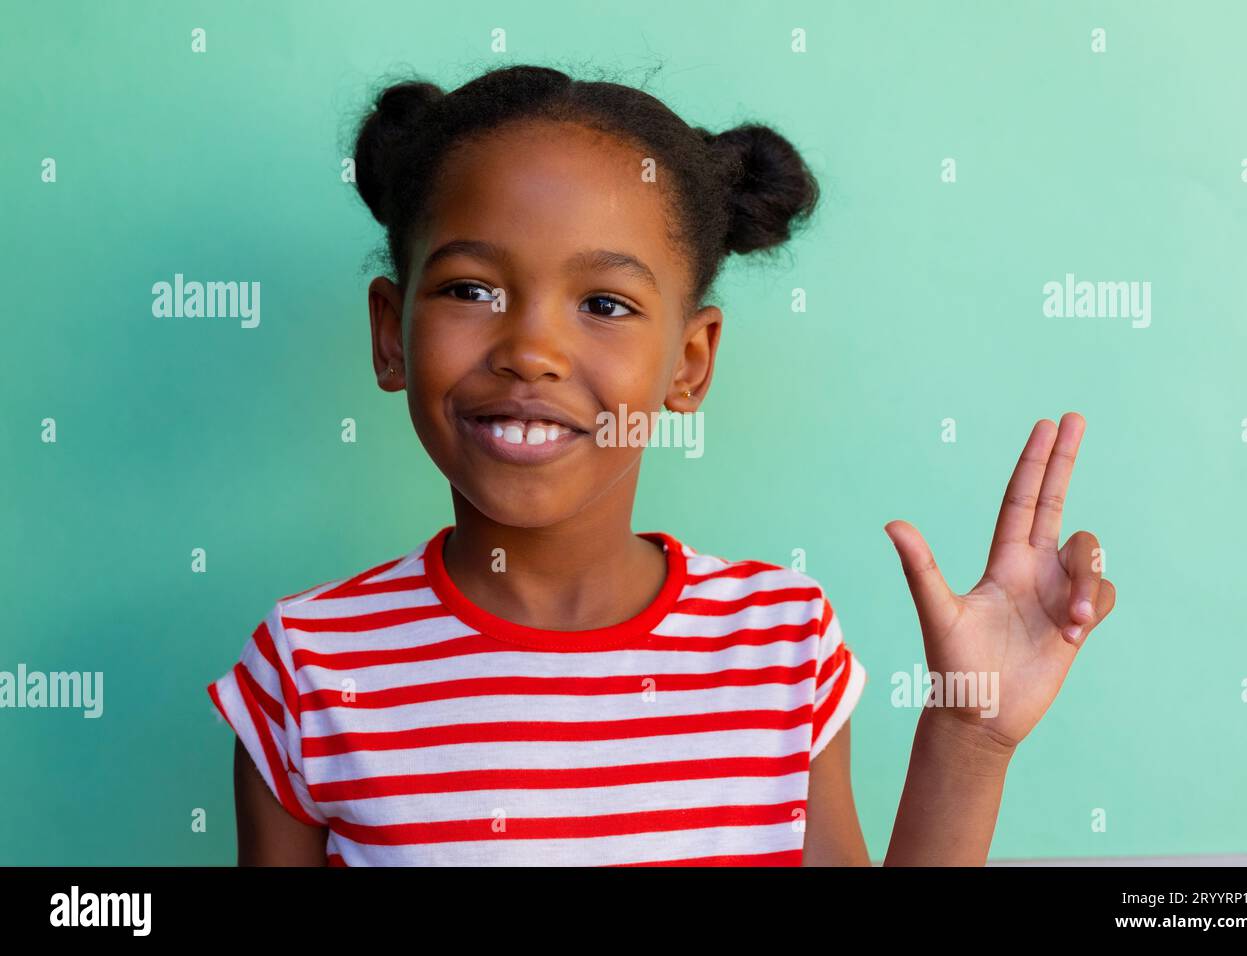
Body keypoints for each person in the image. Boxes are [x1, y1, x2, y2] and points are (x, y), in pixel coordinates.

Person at [207, 64, 1115, 866]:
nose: (532, 349)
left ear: (690, 363)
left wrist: (970, 737)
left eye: (603, 302)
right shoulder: (310, 667)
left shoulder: (778, 645)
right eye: (471, 290)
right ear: (388, 334)